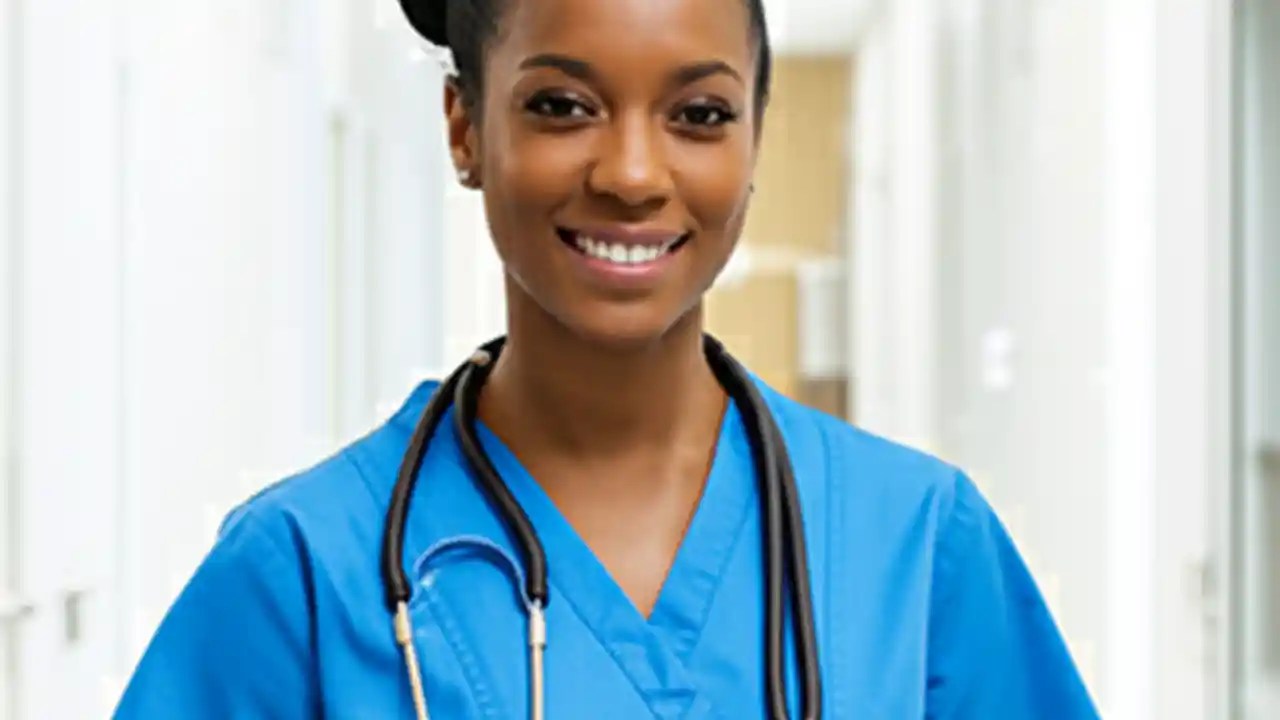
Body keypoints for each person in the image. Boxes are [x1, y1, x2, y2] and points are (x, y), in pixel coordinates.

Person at [114, 0, 1100, 717]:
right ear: (464, 130)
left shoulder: (915, 545)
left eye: (700, 115)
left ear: (754, 140)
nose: (631, 173)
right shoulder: (303, 568)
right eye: (561, 105)